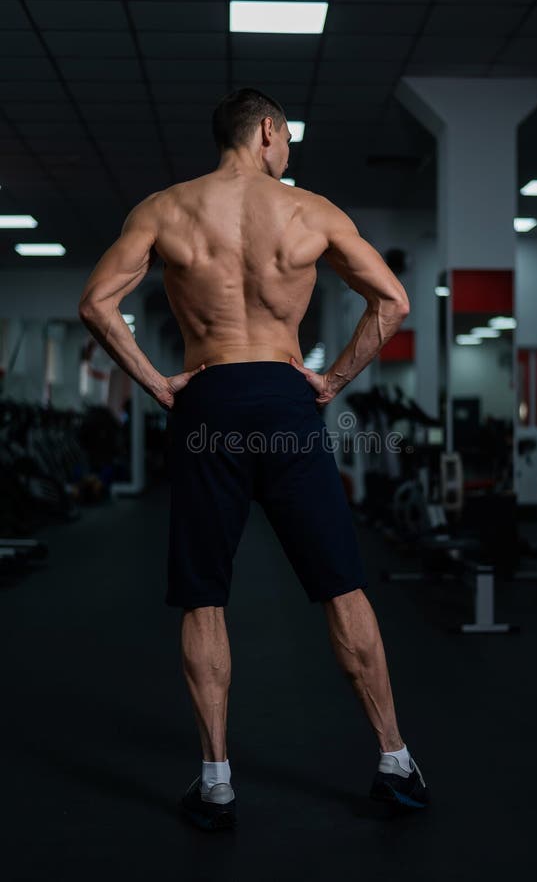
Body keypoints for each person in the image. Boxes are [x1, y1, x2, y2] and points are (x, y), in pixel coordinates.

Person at [78, 87, 428, 831]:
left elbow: (96, 304)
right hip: (283, 400)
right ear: (267, 131)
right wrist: (330, 381)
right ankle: (395, 764)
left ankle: (215, 784)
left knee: (205, 597)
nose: (288, 151)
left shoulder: (165, 209)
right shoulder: (311, 211)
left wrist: (161, 385)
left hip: (208, 402)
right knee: (341, 585)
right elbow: (392, 301)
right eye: (288, 138)